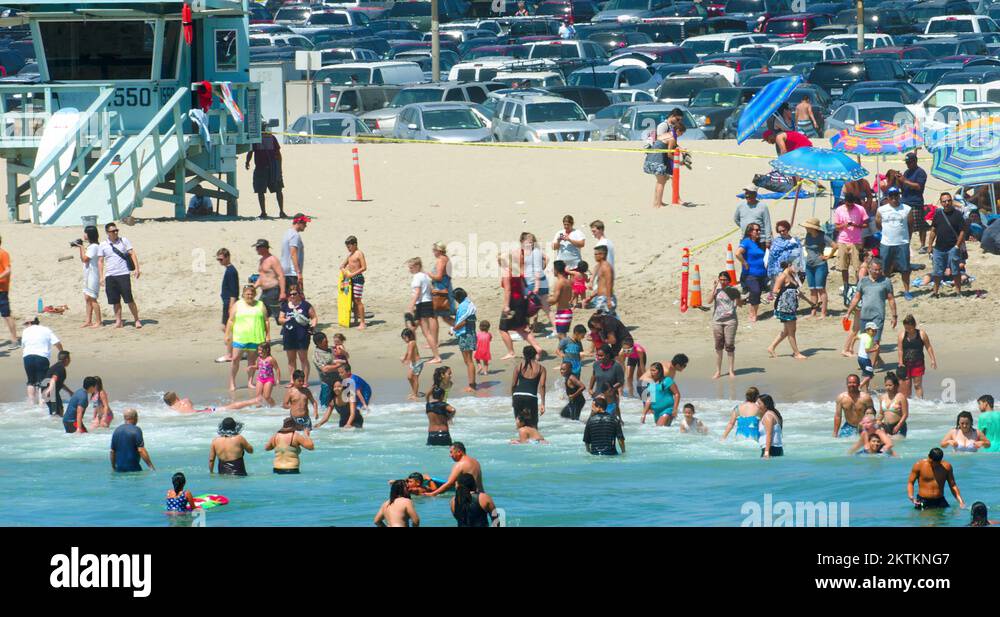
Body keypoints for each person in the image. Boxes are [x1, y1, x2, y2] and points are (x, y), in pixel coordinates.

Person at [845, 260, 896, 369]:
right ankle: (879, 361)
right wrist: (848, 312)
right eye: (875, 270)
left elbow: (891, 299)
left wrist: (894, 316)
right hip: (864, 316)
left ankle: (870, 367)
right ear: (869, 269)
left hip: (878, 316)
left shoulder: (886, 281)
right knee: (867, 341)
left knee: (875, 341)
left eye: (879, 270)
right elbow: (856, 298)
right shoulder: (863, 281)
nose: (877, 272)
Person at [497, 249, 542, 359]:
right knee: (521, 328)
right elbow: (523, 287)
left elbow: (508, 290)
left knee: (503, 329)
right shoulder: (517, 271)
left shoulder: (506, 273)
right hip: (522, 301)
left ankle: (511, 352)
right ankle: (537, 348)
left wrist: (506, 306)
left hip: (513, 302)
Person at [768, 260, 814, 360]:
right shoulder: (782, 276)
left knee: (786, 331)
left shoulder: (792, 276)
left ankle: (771, 347)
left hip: (792, 307)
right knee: (791, 331)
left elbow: (798, 292)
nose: (796, 268)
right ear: (789, 266)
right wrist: (787, 292)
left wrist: (810, 303)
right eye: (795, 266)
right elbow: (775, 290)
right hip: (785, 308)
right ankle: (796, 353)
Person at [97, 222, 141, 328]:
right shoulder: (103, 245)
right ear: (108, 232)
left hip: (123, 274)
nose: (115, 232)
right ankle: (118, 321)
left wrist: (137, 268)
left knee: (129, 299)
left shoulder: (124, 241)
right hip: (110, 276)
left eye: (117, 230)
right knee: (115, 300)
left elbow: (132, 253)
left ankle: (136, 319)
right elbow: (100, 261)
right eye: (113, 231)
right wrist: (101, 277)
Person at [226, 285, 269, 392]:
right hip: (240, 337)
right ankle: (232, 382)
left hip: (256, 337)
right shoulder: (238, 304)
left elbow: (266, 321)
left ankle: (250, 382)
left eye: (251, 294)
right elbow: (231, 320)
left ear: (255, 294)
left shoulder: (260, 305)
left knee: (252, 361)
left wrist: (267, 335)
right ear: (243, 294)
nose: (249, 296)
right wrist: (227, 334)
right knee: (235, 359)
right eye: (247, 294)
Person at [927, 192, 970, 298]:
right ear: (941, 203)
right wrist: (929, 245)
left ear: (951, 201)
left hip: (953, 247)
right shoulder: (938, 214)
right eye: (944, 201)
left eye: (948, 200)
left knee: (955, 271)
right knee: (937, 272)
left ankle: (958, 292)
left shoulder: (957, 215)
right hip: (939, 248)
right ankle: (935, 292)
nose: (947, 203)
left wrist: (957, 246)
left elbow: (962, 231)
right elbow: (933, 230)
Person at [876, 187, 913, 300]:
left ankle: (907, 291)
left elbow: (911, 225)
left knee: (905, 269)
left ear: (899, 196)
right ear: (888, 197)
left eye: (896, 196)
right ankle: (887, 291)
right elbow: (878, 225)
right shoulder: (881, 210)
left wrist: (908, 239)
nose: (894, 199)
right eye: (891, 196)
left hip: (902, 243)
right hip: (887, 243)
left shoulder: (906, 209)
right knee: (885, 269)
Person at [278, 284, 316, 384]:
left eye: (294, 294)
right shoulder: (285, 306)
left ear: (299, 294)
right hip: (289, 335)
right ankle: (292, 381)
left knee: (303, 359)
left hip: (302, 335)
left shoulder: (306, 305)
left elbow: (314, 317)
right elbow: (280, 319)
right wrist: (286, 319)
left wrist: (313, 326)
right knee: (291, 359)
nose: (292, 296)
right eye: (290, 294)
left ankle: (305, 381)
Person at [833, 194, 868, 305]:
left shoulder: (860, 209)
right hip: (843, 240)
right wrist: (844, 225)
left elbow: (866, 224)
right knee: (843, 266)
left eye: (851, 204)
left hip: (856, 240)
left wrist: (856, 225)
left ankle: (858, 286)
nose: (850, 206)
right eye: (848, 204)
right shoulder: (839, 210)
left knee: (857, 266)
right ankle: (846, 285)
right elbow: (836, 226)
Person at [245, 125, 285, 218]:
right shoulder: (272, 138)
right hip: (273, 168)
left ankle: (264, 212)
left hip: (261, 168)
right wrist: (279, 168)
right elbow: (278, 154)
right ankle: (281, 212)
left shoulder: (257, 139)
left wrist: (247, 162)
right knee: (278, 190)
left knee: (261, 191)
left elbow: (250, 152)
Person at [407, 257, 441, 364]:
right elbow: (430, 290)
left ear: (417, 266)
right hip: (426, 303)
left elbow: (417, 293)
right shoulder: (425, 276)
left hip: (422, 305)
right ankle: (414, 355)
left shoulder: (417, 277)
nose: (410, 269)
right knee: (412, 329)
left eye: (411, 267)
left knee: (426, 333)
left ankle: (436, 357)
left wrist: (411, 306)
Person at [21, 317, 62, 404]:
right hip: (42, 357)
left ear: (29, 323)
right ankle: (42, 404)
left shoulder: (25, 331)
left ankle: (31, 403)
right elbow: (57, 342)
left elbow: (23, 345)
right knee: (42, 381)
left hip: (27, 357)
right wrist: (61, 352)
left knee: (31, 381)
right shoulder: (46, 330)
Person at [800, 217, 835, 318]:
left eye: (808, 227)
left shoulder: (822, 236)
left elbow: (835, 245)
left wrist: (828, 256)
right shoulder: (808, 235)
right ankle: (813, 312)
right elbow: (807, 247)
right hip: (809, 264)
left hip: (820, 264)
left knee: (821, 289)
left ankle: (824, 312)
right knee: (812, 289)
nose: (806, 228)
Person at [709, 271, 742, 378]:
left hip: (730, 321)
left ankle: (731, 371)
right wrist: (714, 288)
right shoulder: (717, 291)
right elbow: (709, 301)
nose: (723, 281)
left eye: (725, 279)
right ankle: (718, 371)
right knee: (718, 347)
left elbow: (740, 304)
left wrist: (739, 298)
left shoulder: (733, 290)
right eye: (721, 279)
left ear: (729, 280)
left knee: (730, 346)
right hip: (717, 320)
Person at [645, 124, 686, 208]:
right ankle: (657, 204)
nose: (681, 135)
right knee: (661, 182)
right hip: (657, 160)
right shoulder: (672, 138)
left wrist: (681, 149)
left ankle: (657, 202)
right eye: (681, 134)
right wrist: (679, 162)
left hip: (650, 159)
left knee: (659, 181)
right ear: (678, 131)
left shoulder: (666, 134)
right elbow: (669, 154)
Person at [897, 314, 937, 399]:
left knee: (917, 385)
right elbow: (900, 350)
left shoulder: (921, 334)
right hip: (905, 364)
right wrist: (900, 362)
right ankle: (909, 404)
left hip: (918, 363)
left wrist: (933, 360)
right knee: (907, 387)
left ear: (914, 325)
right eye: (905, 328)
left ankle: (920, 403)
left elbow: (928, 347)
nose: (907, 330)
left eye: (909, 328)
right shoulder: (902, 335)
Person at [735, 223, 767, 322]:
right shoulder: (747, 242)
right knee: (755, 291)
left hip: (762, 273)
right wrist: (744, 262)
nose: (758, 232)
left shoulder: (759, 243)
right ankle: (751, 313)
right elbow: (737, 253)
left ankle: (754, 313)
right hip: (750, 273)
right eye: (756, 230)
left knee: (757, 294)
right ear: (750, 232)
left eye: (759, 230)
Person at [521, 232, 551, 333]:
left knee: (530, 303)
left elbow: (547, 258)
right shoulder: (535, 251)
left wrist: (541, 269)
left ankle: (529, 325)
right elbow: (547, 258)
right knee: (535, 303)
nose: (531, 243)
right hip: (531, 279)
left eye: (532, 241)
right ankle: (534, 324)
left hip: (530, 280)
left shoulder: (527, 251)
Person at [511, 346, 546, 427]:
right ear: (535, 355)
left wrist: (513, 399)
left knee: (520, 424)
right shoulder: (541, 368)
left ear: (524, 355)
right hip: (531, 397)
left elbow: (513, 385)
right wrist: (543, 404)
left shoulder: (518, 367)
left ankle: (521, 438)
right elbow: (542, 386)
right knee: (533, 425)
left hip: (517, 396)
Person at [451, 287, 478, 392]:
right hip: (469, 333)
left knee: (469, 361)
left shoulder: (462, 307)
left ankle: (472, 385)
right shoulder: (469, 303)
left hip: (465, 334)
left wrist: (453, 329)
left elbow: (463, 322)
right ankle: (472, 383)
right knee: (468, 361)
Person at [900, 152, 928, 252]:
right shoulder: (906, 172)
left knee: (920, 225)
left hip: (915, 202)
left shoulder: (920, 172)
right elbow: (902, 187)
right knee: (906, 225)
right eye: (906, 162)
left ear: (915, 161)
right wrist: (899, 181)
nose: (907, 164)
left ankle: (923, 244)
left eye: (909, 162)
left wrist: (905, 181)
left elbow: (919, 186)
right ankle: (907, 244)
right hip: (905, 202)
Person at [252, 238, 285, 322]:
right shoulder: (261, 260)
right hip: (264, 292)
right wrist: (253, 287)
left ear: (264, 248)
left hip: (273, 291)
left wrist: (282, 292)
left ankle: (291, 332)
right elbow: (262, 276)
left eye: (258, 247)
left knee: (278, 316)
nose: (256, 250)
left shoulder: (273, 259)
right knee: (259, 312)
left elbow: (281, 275)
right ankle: (262, 334)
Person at [589, 344, 625, 418]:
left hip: (610, 398)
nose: (599, 358)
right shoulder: (596, 364)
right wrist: (590, 388)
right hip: (598, 397)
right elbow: (594, 376)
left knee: (609, 419)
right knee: (593, 419)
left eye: (601, 355)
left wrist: (611, 389)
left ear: (608, 355)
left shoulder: (616, 366)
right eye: (598, 355)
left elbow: (621, 381)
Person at [216, 248, 239, 363]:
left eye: (221, 259)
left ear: (227, 257)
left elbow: (234, 292)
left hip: (229, 304)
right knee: (228, 329)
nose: (219, 262)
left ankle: (229, 354)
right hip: (227, 303)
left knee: (227, 329)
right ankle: (237, 350)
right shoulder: (229, 270)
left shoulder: (231, 271)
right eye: (218, 259)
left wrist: (231, 307)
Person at [641, 361, 681, 426]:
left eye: (654, 370)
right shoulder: (651, 384)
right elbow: (649, 399)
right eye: (651, 370)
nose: (651, 372)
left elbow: (677, 394)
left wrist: (675, 409)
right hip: (657, 413)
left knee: (659, 429)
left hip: (667, 410)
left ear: (660, 371)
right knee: (660, 432)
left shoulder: (667, 380)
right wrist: (643, 414)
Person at [78, 225, 103, 328]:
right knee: (87, 298)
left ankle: (98, 321)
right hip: (88, 275)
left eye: (85, 233)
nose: (84, 235)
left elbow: (85, 259)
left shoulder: (94, 247)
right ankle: (88, 320)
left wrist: (81, 247)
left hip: (93, 275)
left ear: (89, 235)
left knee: (92, 298)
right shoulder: (92, 246)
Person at [340, 236, 367, 329]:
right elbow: (342, 266)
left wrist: (352, 274)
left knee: (358, 300)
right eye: (347, 247)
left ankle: (362, 322)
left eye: (349, 246)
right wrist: (345, 273)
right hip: (350, 280)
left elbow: (364, 267)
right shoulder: (350, 255)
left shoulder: (359, 254)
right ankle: (356, 319)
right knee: (351, 300)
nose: (348, 248)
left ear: (355, 244)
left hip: (358, 279)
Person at [312, 331, 345, 409]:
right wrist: (338, 366)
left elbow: (343, 355)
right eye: (325, 342)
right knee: (325, 407)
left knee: (343, 404)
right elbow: (325, 369)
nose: (327, 343)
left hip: (339, 382)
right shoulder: (316, 355)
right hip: (327, 384)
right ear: (318, 343)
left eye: (327, 341)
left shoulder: (331, 349)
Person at [429, 241, 455, 329]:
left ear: (439, 250)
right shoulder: (446, 258)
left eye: (434, 250)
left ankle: (466, 330)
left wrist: (428, 274)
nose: (433, 252)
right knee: (445, 317)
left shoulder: (441, 260)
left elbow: (439, 277)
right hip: (446, 289)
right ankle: (466, 330)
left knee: (436, 316)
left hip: (441, 291)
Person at [162, 391, 262, 414]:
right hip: (202, 412)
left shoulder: (171, 409)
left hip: (197, 415)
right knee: (228, 407)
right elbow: (192, 406)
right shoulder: (185, 400)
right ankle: (254, 401)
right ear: (176, 397)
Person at [280, 213, 308, 293]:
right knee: (298, 299)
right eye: (304, 223)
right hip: (292, 273)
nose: (306, 226)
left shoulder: (287, 233)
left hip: (285, 272)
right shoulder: (295, 235)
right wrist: (298, 272)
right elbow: (293, 253)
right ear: (298, 222)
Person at [283, 369, 318, 434]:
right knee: (295, 437)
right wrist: (290, 406)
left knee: (308, 436)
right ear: (293, 380)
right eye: (299, 381)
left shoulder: (306, 391)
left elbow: (314, 402)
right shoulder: (290, 392)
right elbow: (284, 404)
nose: (301, 383)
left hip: (306, 419)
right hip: (294, 419)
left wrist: (315, 412)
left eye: (303, 381)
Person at [585, 245, 616, 316]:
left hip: (605, 298)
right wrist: (591, 296)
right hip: (602, 298)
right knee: (605, 318)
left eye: (596, 254)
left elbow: (608, 285)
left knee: (602, 320)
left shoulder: (606, 268)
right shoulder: (600, 265)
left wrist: (608, 300)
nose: (594, 256)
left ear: (602, 255)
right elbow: (601, 285)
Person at [878, 372, 909, 437]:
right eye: (886, 385)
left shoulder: (901, 397)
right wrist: (878, 421)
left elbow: (905, 414)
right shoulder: (882, 397)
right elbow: (881, 413)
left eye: (890, 385)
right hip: (886, 427)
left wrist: (898, 425)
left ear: (896, 385)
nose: (888, 387)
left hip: (899, 426)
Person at [43, 350, 72, 417]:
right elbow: (53, 379)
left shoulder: (56, 366)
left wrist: (69, 392)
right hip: (51, 392)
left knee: (57, 411)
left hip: (48, 390)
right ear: (67, 359)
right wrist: (49, 390)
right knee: (57, 414)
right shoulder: (60, 368)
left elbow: (59, 383)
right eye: (70, 359)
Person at [250, 341, 280, 406]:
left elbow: (277, 369)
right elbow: (257, 367)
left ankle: (274, 406)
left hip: (269, 379)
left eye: (261, 350)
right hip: (260, 379)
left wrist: (278, 380)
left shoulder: (271, 359)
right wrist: (251, 367)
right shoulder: (259, 358)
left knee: (266, 397)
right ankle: (259, 411)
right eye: (258, 350)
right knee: (258, 397)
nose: (259, 352)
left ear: (267, 350)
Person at [549, 260, 574, 339]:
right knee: (563, 336)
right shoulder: (568, 281)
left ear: (556, 270)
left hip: (562, 313)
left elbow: (555, 299)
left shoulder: (559, 282)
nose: (552, 271)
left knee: (561, 336)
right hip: (568, 311)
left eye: (553, 269)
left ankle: (566, 351)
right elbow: (569, 297)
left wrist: (543, 302)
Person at [0, 234, 16, 346]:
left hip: (2, 290)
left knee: (6, 315)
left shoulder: (3, 254)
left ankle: (14, 339)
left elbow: (8, 270)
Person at [400, 328, 423, 400]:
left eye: (405, 338)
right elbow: (407, 352)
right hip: (413, 363)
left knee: (415, 379)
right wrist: (404, 358)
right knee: (409, 377)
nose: (404, 340)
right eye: (403, 338)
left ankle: (415, 395)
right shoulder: (410, 343)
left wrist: (407, 360)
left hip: (417, 363)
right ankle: (414, 392)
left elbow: (410, 353)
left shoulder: (412, 343)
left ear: (409, 336)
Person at [758, 394, 784, 458]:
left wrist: (766, 452)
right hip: (776, 449)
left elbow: (769, 434)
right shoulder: (772, 414)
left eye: (759, 404)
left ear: (765, 405)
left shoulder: (768, 416)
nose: (757, 406)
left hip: (771, 449)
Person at [856, 322, 879, 391]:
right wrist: (875, 349)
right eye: (873, 331)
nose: (874, 332)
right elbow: (867, 350)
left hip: (860, 358)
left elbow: (855, 338)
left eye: (875, 331)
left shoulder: (863, 335)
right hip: (865, 359)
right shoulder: (869, 339)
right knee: (870, 375)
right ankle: (859, 386)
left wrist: (851, 347)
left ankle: (865, 390)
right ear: (867, 330)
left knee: (866, 375)